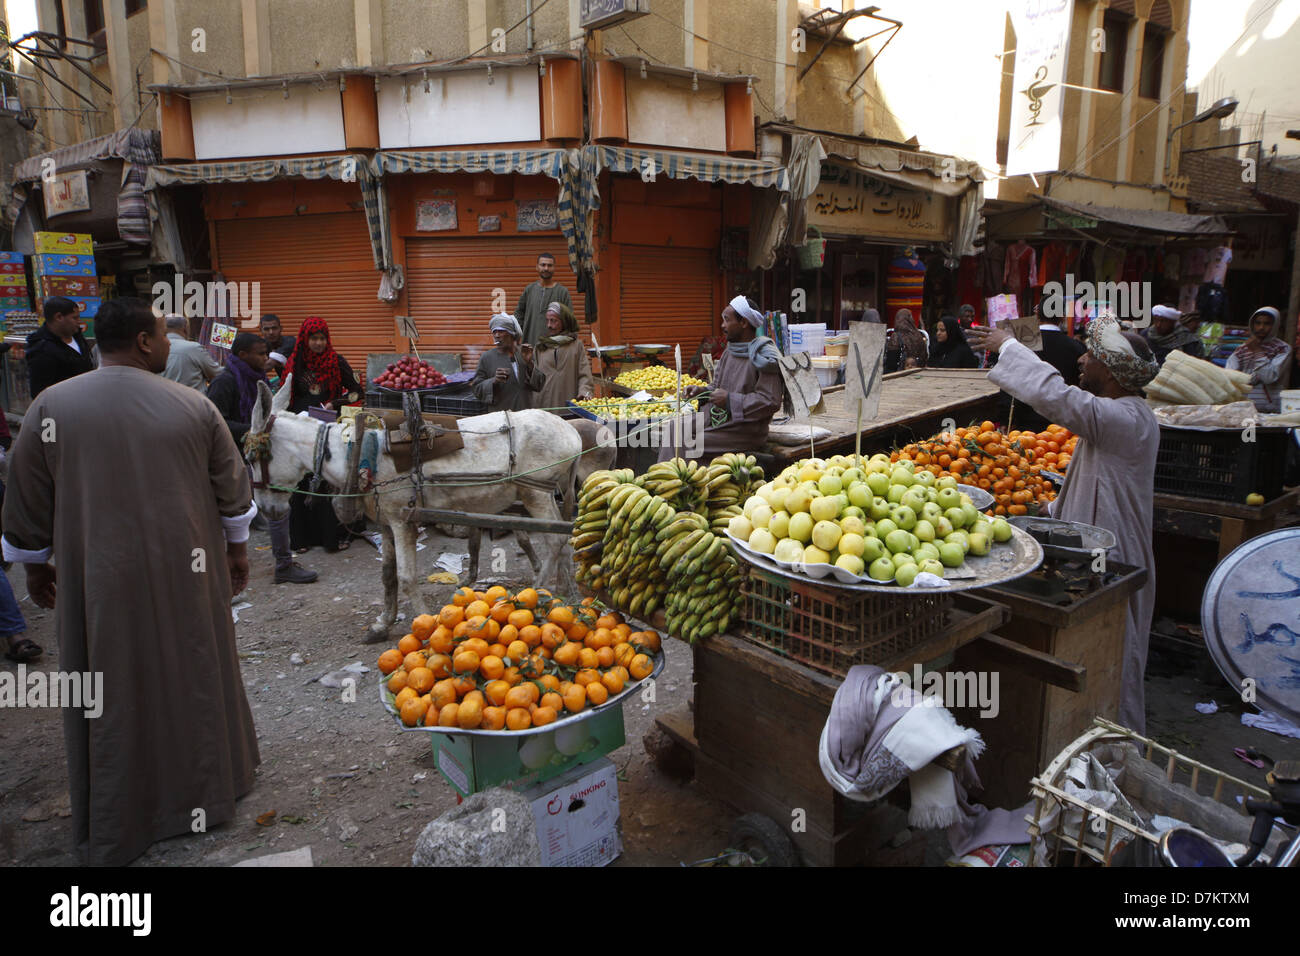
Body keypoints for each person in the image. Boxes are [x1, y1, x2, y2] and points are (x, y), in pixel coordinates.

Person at [1, 296, 259, 866]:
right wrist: (237, 553)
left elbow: (24, 501)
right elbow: (232, 491)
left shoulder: (51, 406)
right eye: (164, 336)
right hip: (187, 573)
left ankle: (123, 814)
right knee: (194, 668)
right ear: (144, 342)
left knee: (110, 684)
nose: (169, 344)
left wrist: (36, 564)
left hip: (97, 578)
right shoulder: (192, 405)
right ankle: (208, 793)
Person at [968, 315, 1159, 734]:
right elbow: (1096, 482)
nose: (1082, 360)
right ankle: (1082, 731)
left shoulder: (1121, 419)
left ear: (1109, 372)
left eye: (1091, 356)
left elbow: (1057, 397)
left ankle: (1111, 742)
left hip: (1112, 553)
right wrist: (1046, 511)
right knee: (1097, 649)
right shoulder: (1125, 414)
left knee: (1110, 653)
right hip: (1098, 542)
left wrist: (1007, 346)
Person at [208, 333, 319, 585]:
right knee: (229, 516)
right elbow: (217, 423)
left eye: (267, 353)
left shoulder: (258, 378)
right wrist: (254, 430)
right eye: (261, 353)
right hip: (232, 458)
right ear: (243, 355)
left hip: (257, 456)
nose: (266, 359)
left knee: (277, 506)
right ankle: (222, 571)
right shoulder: (224, 382)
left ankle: (283, 564)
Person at [661, 295, 783, 461]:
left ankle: (681, 483)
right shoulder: (730, 351)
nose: (722, 325)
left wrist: (730, 400)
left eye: (727, 320)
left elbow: (770, 401)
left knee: (687, 443)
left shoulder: (765, 357)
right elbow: (716, 386)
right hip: (717, 419)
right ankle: (663, 482)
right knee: (674, 429)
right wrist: (702, 391)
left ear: (744, 323)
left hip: (743, 430)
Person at [286, 317, 362, 553]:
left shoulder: (337, 362)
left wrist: (333, 404)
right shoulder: (295, 363)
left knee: (328, 478)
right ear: (305, 339)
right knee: (303, 479)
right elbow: (286, 393)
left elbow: (356, 392)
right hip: (301, 429)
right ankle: (302, 538)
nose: (318, 343)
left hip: (328, 428)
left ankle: (334, 536)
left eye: (322, 338)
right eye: (313, 339)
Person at [472, 313, 545, 411]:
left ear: (511, 334)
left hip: (525, 415)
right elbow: (477, 388)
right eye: (494, 332)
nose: (497, 335)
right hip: (501, 416)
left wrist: (529, 363)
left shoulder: (524, 352)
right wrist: (494, 381)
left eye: (501, 331)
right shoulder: (486, 358)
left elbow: (539, 384)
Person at [1226, 306, 1292, 413]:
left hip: (1270, 408)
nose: (1261, 327)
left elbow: (1269, 377)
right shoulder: (1241, 350)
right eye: (1257, 323)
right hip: (1243, 407)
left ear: (1275, 325)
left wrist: (1257, 350)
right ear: (1252, 324)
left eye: (1267, 324)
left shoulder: (1282, 348)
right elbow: (1231, 376)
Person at [26, 297, 95, 398]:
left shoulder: (77, 336)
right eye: (74, 318)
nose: (79, 321)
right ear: (59, 317)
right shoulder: (41, 349)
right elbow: (39, 392)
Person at [534, 302, 593, 413]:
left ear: (564, 322)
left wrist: (584, 392)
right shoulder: (540, 347)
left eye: (553, 321)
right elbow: (534, 380)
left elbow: (584, 374)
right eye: (547, 321)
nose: (549, 325)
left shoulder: (576, 345)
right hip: (545, 406)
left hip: (569, 405)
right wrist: (527, 362)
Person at [514, 253, 573, 346]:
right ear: (537, 267)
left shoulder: (562, 292)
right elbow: (518, 316)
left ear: (554, 268)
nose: (546, 268)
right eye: (543, 265)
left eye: (550, 265)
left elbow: (569, 322)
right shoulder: (529, 290)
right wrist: (516, 338)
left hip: (554, 349)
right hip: (530, 348)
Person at [161, 313, 223, 389]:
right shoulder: (193, 348)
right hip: (193, 399)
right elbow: (217, 373)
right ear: (185, 329)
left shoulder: (154, 348)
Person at [260, 313, 296, 386]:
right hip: (286, 383)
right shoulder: (263, 346)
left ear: (281, 328)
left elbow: (269, 365)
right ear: (261, 330)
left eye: (274, 328)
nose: (271, 332)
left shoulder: (290, 342)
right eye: (266, 329)